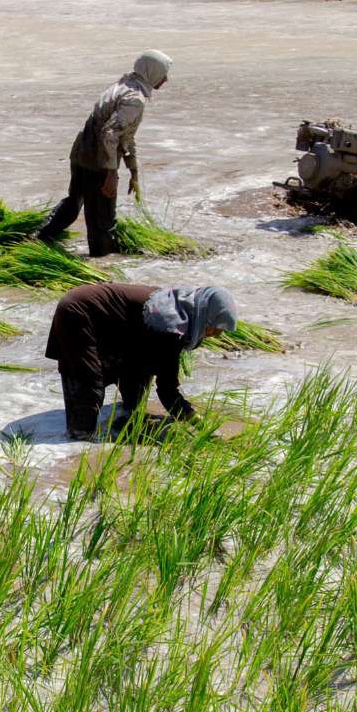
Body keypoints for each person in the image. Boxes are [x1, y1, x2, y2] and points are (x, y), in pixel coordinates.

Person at [45, 283, 237, 441]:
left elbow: (139, 362)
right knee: (89, 381)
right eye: (213, 328)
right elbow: (167, 390)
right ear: (203, 314)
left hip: (108, 323)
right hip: (78, 313)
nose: (213, 335)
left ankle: (125, 417)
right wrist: (199, 424)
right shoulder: (170, 327)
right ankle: (78, 439)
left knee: (140, 375)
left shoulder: (178, 309)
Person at [37, 50, 174, 256]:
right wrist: (110, 173)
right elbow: (110, 133)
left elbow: (124, 136)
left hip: (81, 152)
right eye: (163, 73)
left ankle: (37, 239)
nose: (165, 79)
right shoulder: (135, 98)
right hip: (98, 162)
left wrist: (133, 170)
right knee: (103, 221)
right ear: (151, 71)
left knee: (73, 203)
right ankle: (102, 266)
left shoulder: (120, 86)